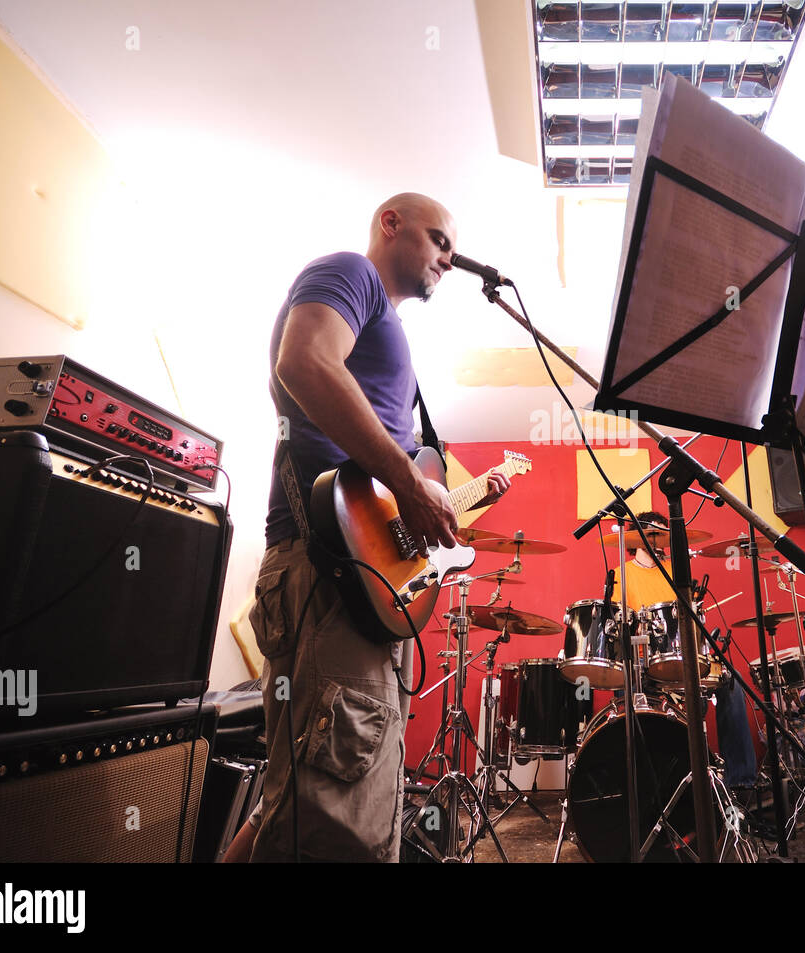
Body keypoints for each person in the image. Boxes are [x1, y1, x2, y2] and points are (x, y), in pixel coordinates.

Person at [248, 193, 510, 862]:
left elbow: (394, 496)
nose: (450, 259)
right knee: (334, 822)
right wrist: (406, 482)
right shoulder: (349, 272)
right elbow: (303, 361)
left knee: (317, 798)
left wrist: (444, 501)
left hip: (365, 584)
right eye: (439, 240)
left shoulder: (393, 341)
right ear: (390, 223)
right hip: (328, 575)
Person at [621, 511, 758, 789]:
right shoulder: (621, 575)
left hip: (683, 658)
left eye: (662, 536)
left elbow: (693, 622)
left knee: (731, 683)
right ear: (636, 540)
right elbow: (619, 624)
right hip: (645, 664)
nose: (658, 542)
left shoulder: (677, 573)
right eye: (651, 535)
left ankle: (741, 782)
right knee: (624, 687)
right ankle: (647, 785)